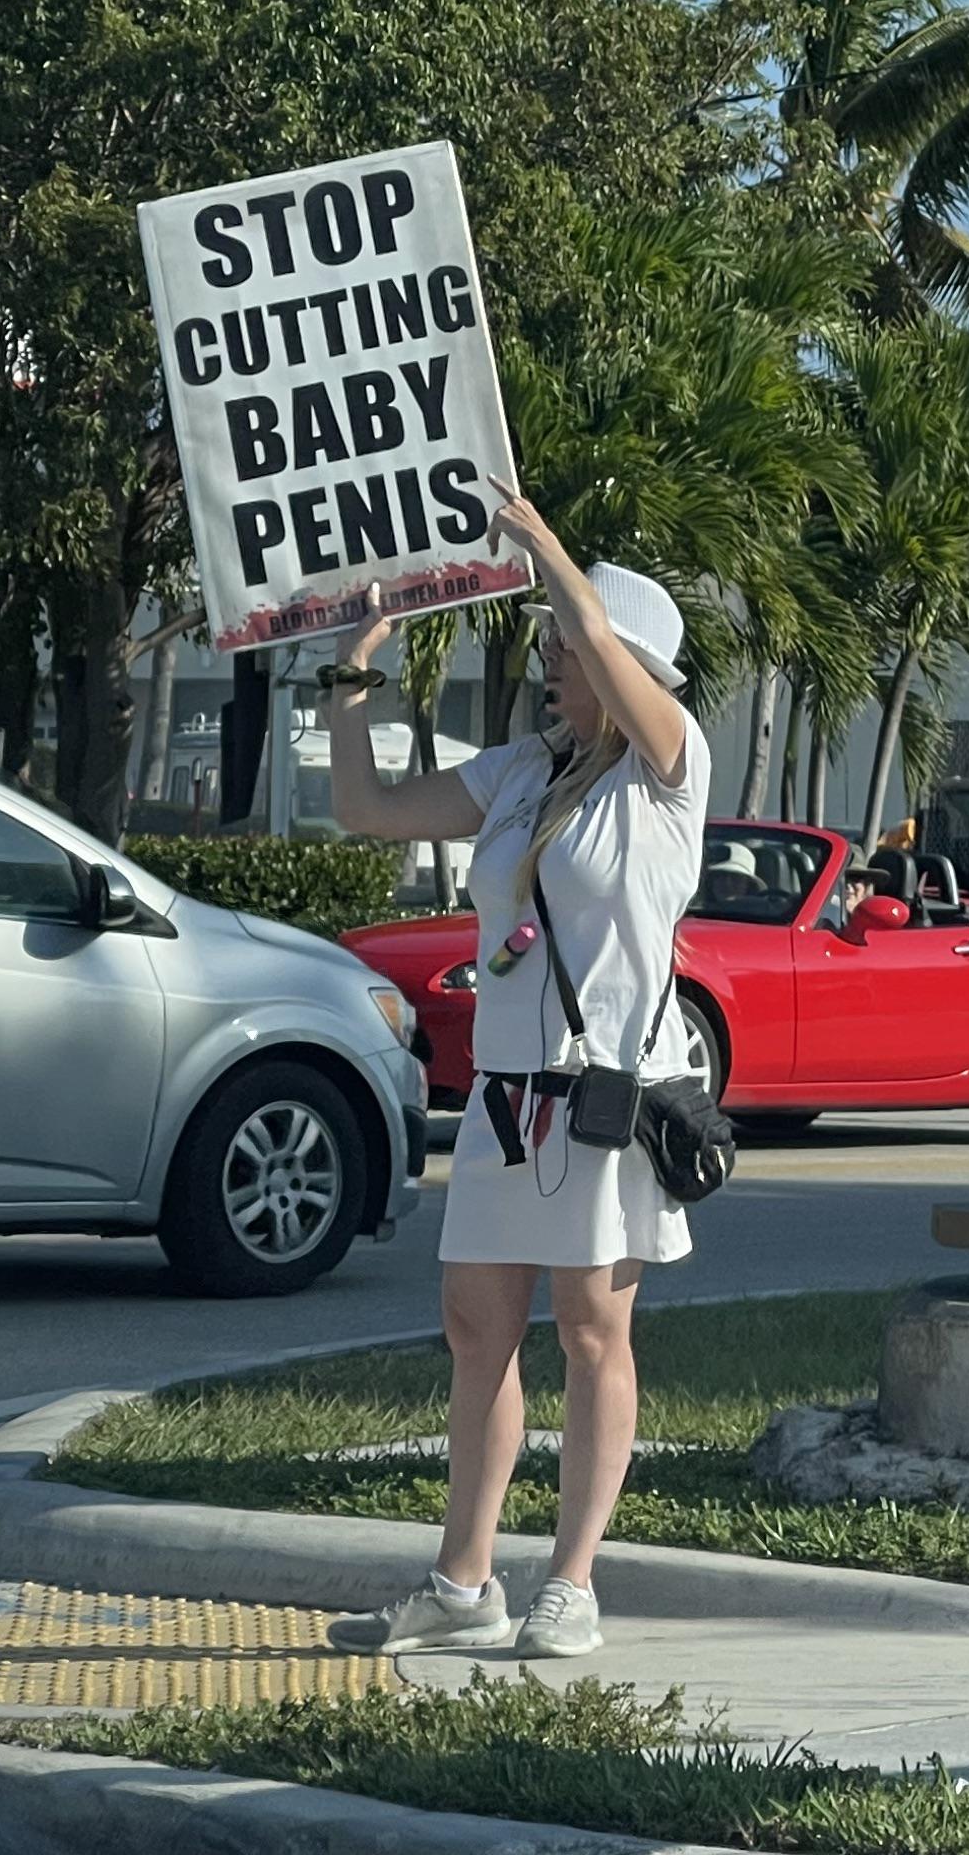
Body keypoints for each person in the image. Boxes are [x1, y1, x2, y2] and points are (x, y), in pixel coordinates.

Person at [316, 497, 706, 1661]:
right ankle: (463, 1580)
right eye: (545, 647)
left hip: (604, 1093)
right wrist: (349, 677)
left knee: (593, 1329)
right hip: (503, 1094)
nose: (547, 663)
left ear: (619, 663)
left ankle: (572, 1583)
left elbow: (603, 647)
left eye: (564, 649)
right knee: (475, 1326)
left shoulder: (665, 769)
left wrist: (545, 553)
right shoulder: (524, 771)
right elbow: (367, 810)